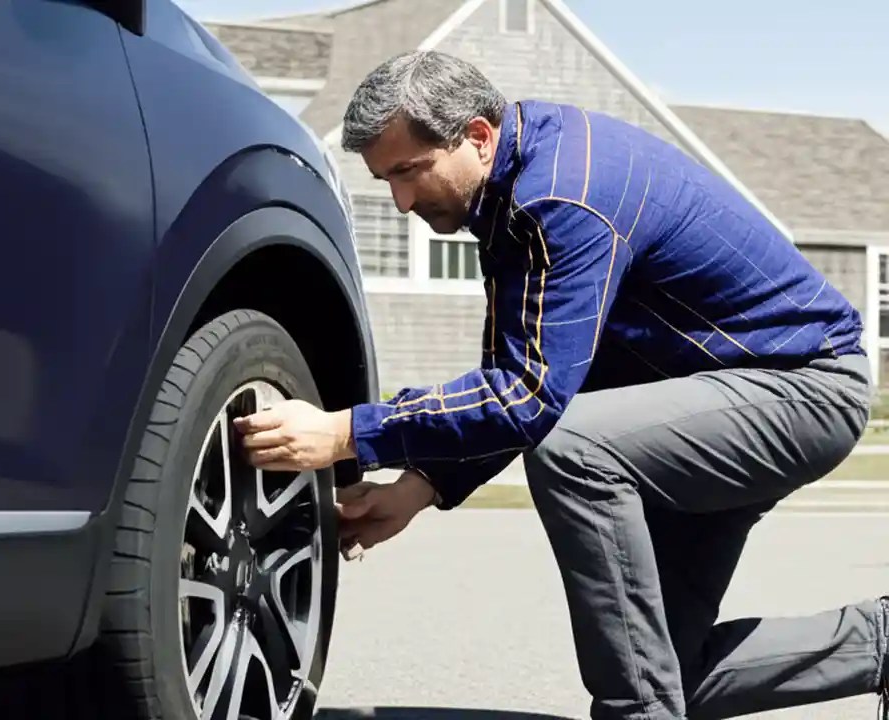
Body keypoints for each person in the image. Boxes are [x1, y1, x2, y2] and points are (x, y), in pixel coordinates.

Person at [233, 49, 888, 720]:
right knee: (669, 667)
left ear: (478, 138)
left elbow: (528, 397)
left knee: (575, 453)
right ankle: (880, 643)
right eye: (384, 180)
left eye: (409, 171)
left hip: (801, 385)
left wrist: (347, 433)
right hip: (701, 402)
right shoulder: (513, 194)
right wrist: (423, 484)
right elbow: (520, 381)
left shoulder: (560, 195)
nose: (400, 202)